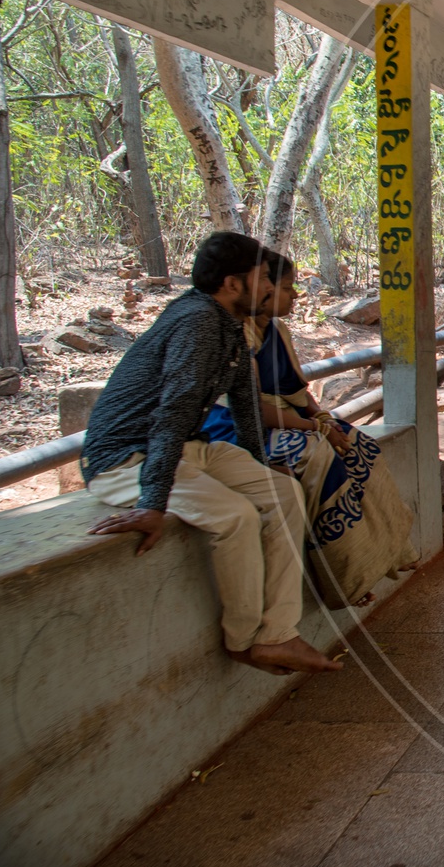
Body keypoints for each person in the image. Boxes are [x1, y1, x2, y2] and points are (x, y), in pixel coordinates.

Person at [81, 232, 341, 676]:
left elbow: (244, 404)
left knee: (283, 494)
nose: (270, 287)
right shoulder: (197, 322)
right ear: (232, 284)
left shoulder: (231, 326)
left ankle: (279, 634)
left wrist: (259, 463)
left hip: (191, 448)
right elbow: (172, 412)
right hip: (129, 459)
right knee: (235, 517)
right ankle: (244, 641)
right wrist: (151, 503)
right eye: (262, 278)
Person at [201, 252, 418, 609]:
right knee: (319, 458)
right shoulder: (236, 336)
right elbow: (251, 409)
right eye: (284, 287)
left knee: (361, 447)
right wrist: (314, 429)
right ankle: (344, 578)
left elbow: (297, 392)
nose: (294, 295)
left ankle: (389, 553)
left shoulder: (276, 331)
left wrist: (325, 419)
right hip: (238, 429)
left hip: (288, 416)